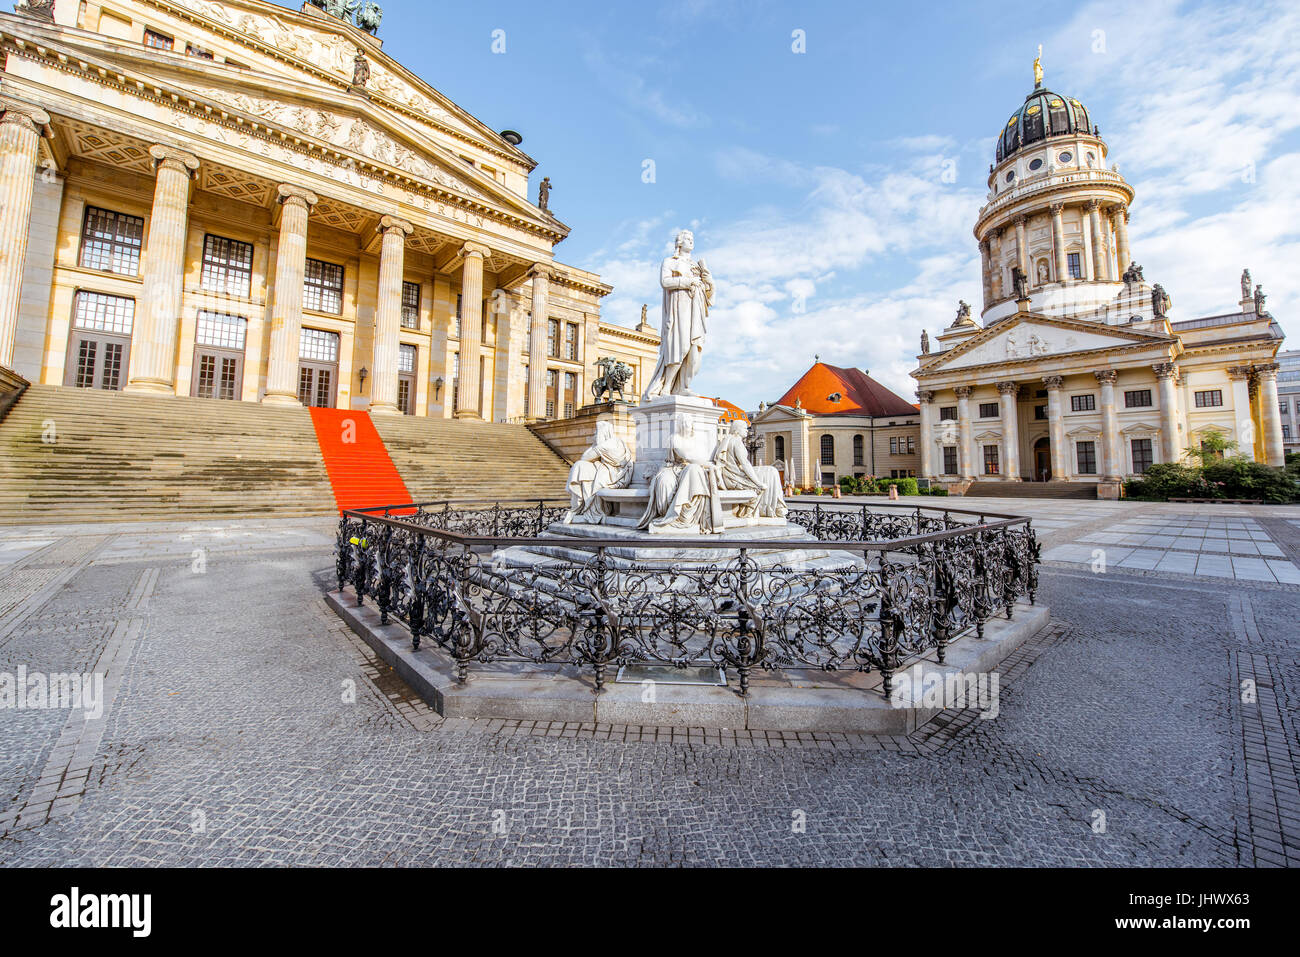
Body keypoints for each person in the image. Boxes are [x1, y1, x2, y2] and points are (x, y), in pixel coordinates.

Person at [643, 230, 713, 400]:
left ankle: (683, 386)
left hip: (694, 308)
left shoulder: (696, 266)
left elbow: (708, 294)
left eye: (692, 239)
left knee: (693, 349)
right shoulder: (669, 262)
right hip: (679, 307)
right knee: (679, 346)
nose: (691, 241)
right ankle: (666, 387)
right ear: (679, 243)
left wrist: (707, 278)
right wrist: (687, 282)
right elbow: (665, 282)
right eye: (688, 239)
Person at [637, 417, 723, 534]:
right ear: (680, 425)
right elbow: (685, 455)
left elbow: (699, 458)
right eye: (684, 423)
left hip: (689, 467)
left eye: (689, 423)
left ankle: (685, 515)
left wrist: (706, 464)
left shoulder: (696, 440)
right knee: (664, 482)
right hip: (672, 467)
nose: (687, 426)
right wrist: (709, 465)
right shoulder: (674, 438)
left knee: (694, 470)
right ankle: (667, 514)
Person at [712, 420, 787, 520]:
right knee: (772, 472)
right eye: (744, 428)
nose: (747, 431)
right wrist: (758, 483)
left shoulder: (729, 440)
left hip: (731, 474)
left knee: (771, 471)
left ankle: (775, 506)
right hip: (735, 476)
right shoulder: (736, 442)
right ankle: (772, 508)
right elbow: (745, 464)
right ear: (737, 430)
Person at [563, 421, 633, 525]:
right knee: (580, 467)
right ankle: (584, 507)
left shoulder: (605, 445)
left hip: (613, 475)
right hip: (615, 473)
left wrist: (595, 444)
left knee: (579, 466)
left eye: (596, 433)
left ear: (602, 433)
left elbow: (585, 457)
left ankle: (583, 507)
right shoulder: (617, 441)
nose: (594, 435)